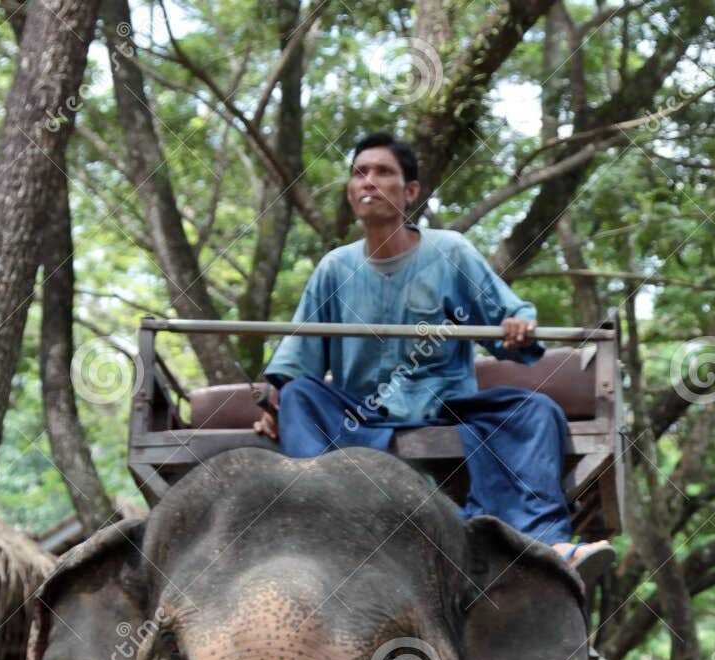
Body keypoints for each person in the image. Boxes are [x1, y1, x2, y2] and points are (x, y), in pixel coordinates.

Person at [255, 131, 614, 581]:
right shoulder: (334, 268)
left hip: (446, 409)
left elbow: (508, 321)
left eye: (383, 172)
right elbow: (299, 361)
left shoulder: (450, 251)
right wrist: (277, 402)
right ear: (350, 192)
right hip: (360, 413)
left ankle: (545, 544)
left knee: (535, 410)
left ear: (410, 192)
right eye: (359, 173)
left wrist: (517, 328)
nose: (368, 182)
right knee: (304, 396)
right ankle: (313, 528)